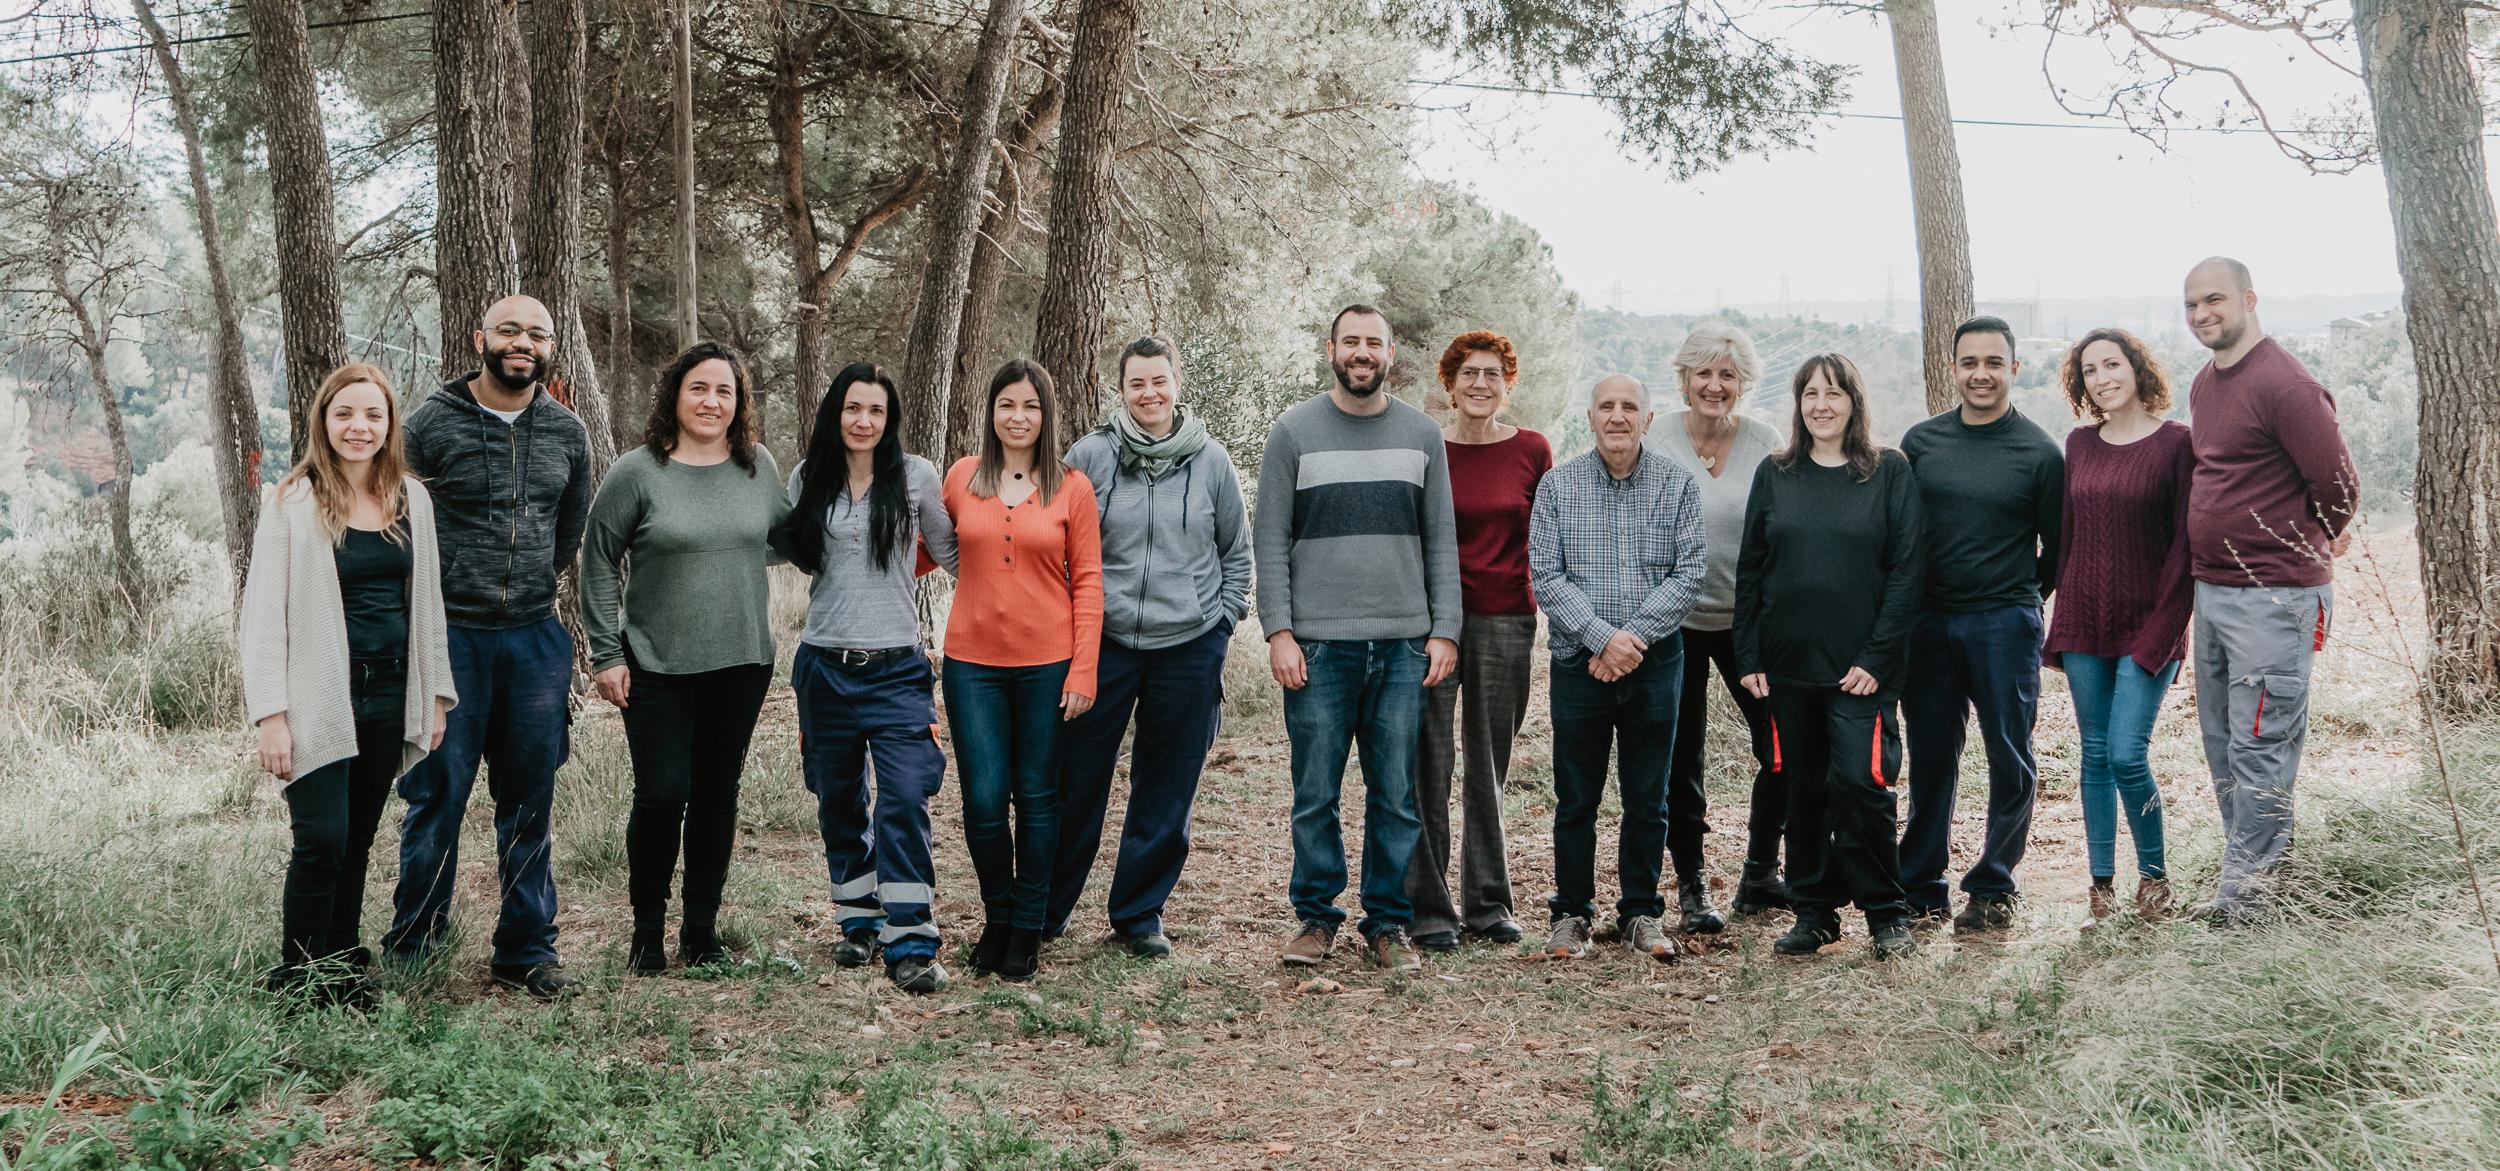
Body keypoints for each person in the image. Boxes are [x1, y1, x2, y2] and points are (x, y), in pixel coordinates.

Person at [384, 295, 591, 1000]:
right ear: (481, 338)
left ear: (550, 347)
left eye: (537, 333)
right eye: (509, 330)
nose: (522, 342)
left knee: (529, 800)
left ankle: (526, 951)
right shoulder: (429, 425)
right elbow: (394, 524)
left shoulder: (567, 432)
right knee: (435, 795)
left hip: (533, 641)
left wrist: (529, 588)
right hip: (449, 641)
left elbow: (568, 533)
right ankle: (415, 947)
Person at [241, 364, 456, 1008]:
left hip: (390, 691)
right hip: (317, 698)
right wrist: (271, 716)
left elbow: (429, 605)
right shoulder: (293, 501)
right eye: (344, 414)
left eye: (372, 415)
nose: (358, 427)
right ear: (323, 422)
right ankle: (301, 979)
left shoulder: (412, 499)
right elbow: (263, 617)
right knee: (322, 839)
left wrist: (434, 694)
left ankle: (340, 970)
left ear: (389, 426)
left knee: (358, 839)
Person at [1257, 304, 1461, 973]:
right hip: (1318, 647)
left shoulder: (1422, 434)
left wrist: (1445, 629)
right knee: (1315, 793)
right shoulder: (1293, 431)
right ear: (1332, 350)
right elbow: (1270, 539)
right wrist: (1279, 631)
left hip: (1403, 646)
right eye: (1351, 341)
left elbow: (1441, 540)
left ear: (1391, 353)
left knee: (1395, 795)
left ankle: (1387, 923)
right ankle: (1316, 918)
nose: (1362, 352)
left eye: (1374, 342)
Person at [580, 342, 790, 974]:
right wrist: (606, 653)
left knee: (717, 794)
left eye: (725, 391)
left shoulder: (758, 467)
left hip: (741, 662)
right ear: (674, 394)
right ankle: (647, 932)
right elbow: (597, 560)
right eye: (699, 388)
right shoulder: (638, 472)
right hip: (656, 664)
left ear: (739, 403)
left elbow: (791, 538)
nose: (711, 402)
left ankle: (701, 930)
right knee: (662, 794)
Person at [1052, 336, 1251, 959]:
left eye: (1159, 380)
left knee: (1166, 785)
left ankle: (1139, 915)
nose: (1149, 393)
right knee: (1075, 778)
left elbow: (1237, 555)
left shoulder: (1212, 461)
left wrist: (1220, 626)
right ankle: (1048, 907)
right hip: (1103, 645)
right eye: (1137, 383)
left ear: (1177, 385)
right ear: (1121, 390)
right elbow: (1054, 546)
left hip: (1189, 647)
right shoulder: (1089, 457)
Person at [2180, 256, 2360, 928]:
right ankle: (2257, 878)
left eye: (2215, 299)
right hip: (2213, 593)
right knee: (2225, 743)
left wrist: (2312, 542)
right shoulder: (2206, 382)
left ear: (2250, 299)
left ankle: (2245, 906)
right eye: (2192, 304)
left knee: (2261, 746)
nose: (2202, 314)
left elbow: (2339, 486)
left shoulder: (2287, 385)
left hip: (2274, 599)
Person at [774, 363, 959, 993]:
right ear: (836, 412)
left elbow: (955, 555)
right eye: (854, 408)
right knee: (839, 798)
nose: (864, 421)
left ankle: (911, 941)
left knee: (905, 797)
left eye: (876, 410)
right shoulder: (808, 477)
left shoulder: (917, 477)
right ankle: (858, 922)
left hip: (897, 669)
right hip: (823, 667)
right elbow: (785, 547)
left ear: (890, 418)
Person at [1734, 354, 1925, 961]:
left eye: (1834, 393)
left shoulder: (1888, 471)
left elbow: (1907, 572)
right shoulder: (1776, 473)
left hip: (1861, 671)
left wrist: (1877, 657)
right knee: (1802, 789)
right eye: (1811, 393)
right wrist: (1749, 653)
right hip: (1788, 667)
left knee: (1862, 786)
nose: (1822, 404)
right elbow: (1751, 569)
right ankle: (1814, 913)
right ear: (1798, 403)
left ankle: (1886, 913)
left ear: (1854, 402)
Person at [1527, 374, 1706, 961]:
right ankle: (1571, 914)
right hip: (1579, 665)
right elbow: (1545, 574)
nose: (1618, 416)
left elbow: (1689, 572)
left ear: (1648, 420)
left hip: (1654, 664)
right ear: (1590, 417)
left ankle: (1640, 914)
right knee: (1576, 797)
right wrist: (1603, 641)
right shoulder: (1558, 486)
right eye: (1606, 406)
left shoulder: (1677, 485)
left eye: (1630, 407)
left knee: (1648, 797)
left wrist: (1631, 641)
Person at [1896, 316, 2064, 934]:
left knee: (2009, 755)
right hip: (1929, 625)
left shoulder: (2041, 453)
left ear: (2014, 369)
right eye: (1970, 362)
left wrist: (2018, 600)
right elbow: (1903, 534)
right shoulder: (1922, 443)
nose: (1981, 374)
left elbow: (2058, 549)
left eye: (1994, 363)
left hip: (2004, 625)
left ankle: (1993, 885)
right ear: (1953, 369)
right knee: (1930, 755)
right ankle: (1921, 885)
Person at [939, 359, 1104, 982]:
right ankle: (998, 918)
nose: (1018, 417)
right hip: (971, 666)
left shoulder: (1072, 488)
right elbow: (925, 545)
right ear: (991, 411)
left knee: (1036, 798)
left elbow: (1089, 582)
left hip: (1047, 665)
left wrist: (1083, 670)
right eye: (1007, 404)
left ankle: (1028, 927)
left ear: (1046, 415)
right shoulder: (961, 478)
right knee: (983, 802)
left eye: (1030, 406)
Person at [1405, 330, 1551, 953]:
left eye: (1493, 374)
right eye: (1469, 373)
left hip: (1506, 620)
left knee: (1488, 766)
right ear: (1450, 382)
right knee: (1428, 764)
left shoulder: (1532, 450)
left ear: (1507, 385)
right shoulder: (1427, 448)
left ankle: (1488, 904)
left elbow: (1549, 534)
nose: (1480, 384)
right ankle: (1428, 908)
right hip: (1434, 623)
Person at [2045, 329, 2194, 927]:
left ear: (2137, 369)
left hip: (2149, 625)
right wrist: (2059, 618)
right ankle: (2102, 891)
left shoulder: (2177, 443)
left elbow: (2185, 549)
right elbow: (2068, 537)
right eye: (2089, 370)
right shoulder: (2079, 444)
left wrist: (2166, 632)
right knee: (2094, 755)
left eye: (2112, 364)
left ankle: (2155, 881)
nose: (2102, 378)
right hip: (2085, 622)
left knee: (2128, 754)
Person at [1642, 320, 1785, 928]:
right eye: (1703, 372)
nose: (1714, 385)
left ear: (1743, 382)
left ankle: (1760, 873)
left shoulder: (1766, 442)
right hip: (1673, 622)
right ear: (1684, 378)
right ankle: (1693, 886)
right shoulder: (1657, 439)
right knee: (1682, 758)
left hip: (1750, 623)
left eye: (1728, 374)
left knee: (1781, 745)